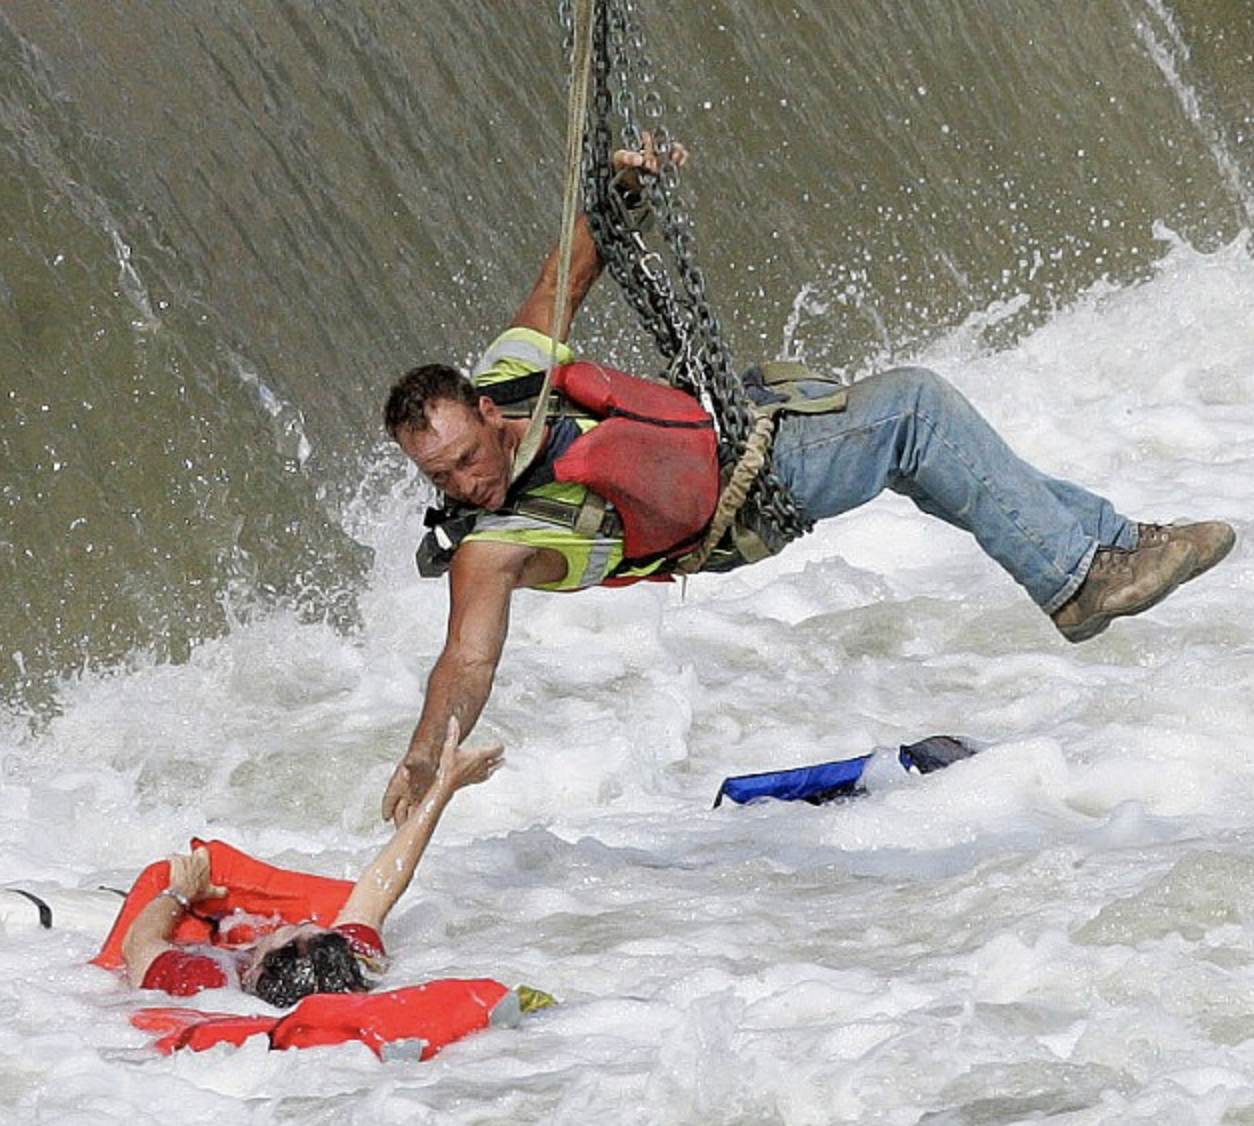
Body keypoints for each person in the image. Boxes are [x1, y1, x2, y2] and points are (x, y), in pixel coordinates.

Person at [378, 140, 1236, 826]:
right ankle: (1078, 581)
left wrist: (619, 192)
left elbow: (560, 281)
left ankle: (1114, 545)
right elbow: (467, 659)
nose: (465, 483)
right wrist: (425, 756)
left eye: (465, 457)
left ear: (486, 412)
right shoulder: (492, 549)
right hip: (747, 500)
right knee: (915, 410)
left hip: (745, 432)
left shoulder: (510, 374)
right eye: (439, 475)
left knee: (932, 462)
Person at [119, 717, 502, 1006]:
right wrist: (445, 786)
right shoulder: (347, 963)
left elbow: (137, 946)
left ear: (254, 970)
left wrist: (181, 892)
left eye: (288, 931)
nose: (304, 923)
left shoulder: (209, 984)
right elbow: (378, 890)